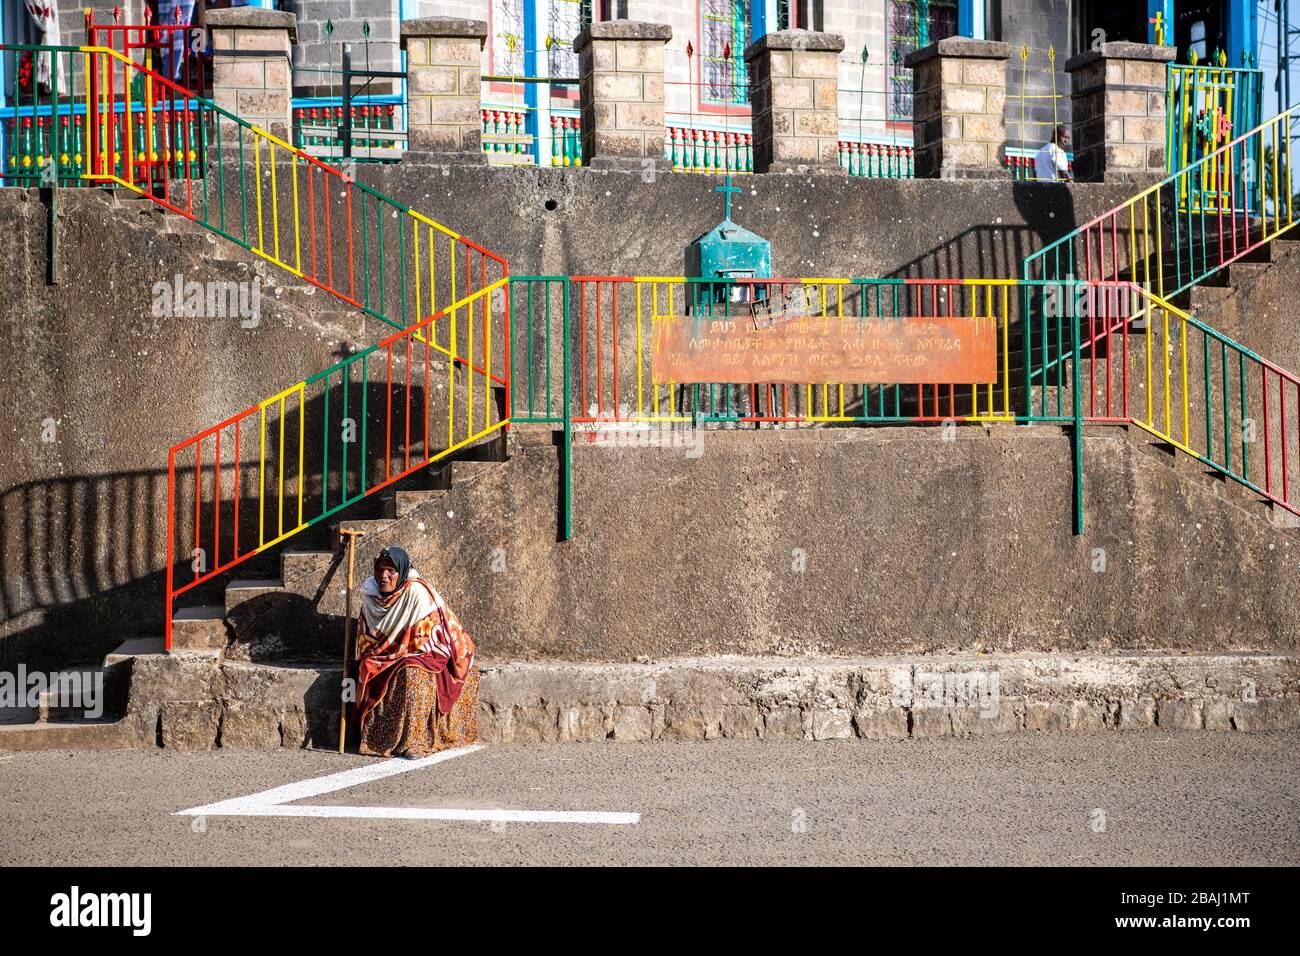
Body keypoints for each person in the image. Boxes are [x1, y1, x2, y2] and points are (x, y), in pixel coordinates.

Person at [354, 545, 478, 758]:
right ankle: (378, 737)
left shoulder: (416, 592)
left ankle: (416, 741)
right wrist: (384, 654)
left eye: (391, 571)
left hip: (426, 651)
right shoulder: (370, 594)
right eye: (380, 570)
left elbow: (430, 639)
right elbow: (366, 636)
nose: (383, 576)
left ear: (401, 572)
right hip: (383, 654)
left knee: (414, 674)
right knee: (369, 668)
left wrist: (399, 654)